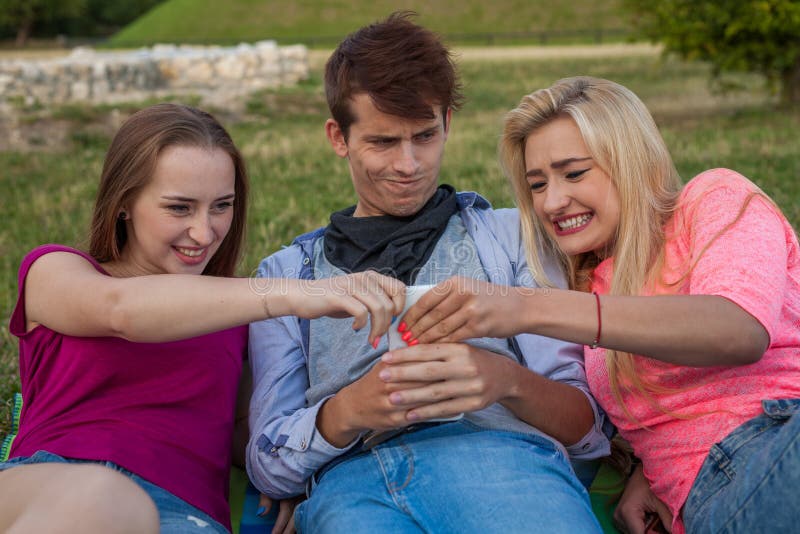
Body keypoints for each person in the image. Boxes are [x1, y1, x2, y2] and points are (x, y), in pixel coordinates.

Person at [246, 14, 610, 534]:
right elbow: (266, 462)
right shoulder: (287, 274)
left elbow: (589, 431)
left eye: (425, 135)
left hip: (502, 462)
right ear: (338, 137)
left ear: (447, 125)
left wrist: (503, 380)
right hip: (354, 485)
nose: (409, 163)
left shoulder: (511, 238)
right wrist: (347, 411)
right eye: (382, 142)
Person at [399, 76, 800, 533]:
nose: (552, 201)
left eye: (574, 173)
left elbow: (737, 329)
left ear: (631, 162)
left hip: (780, 433)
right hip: (724, 487)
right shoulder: (581, 284)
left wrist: (529, 306)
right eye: (536, 184)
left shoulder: (711, 200)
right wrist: (643, 470)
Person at [0, 103, 403, 534]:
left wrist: (292, 477)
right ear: (124, 204)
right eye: (179, 208)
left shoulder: (237, 322)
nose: (204, 232)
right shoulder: (56, 271)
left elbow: (252, 437)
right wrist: (295, 292)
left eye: (221, 206)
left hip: (184, 517)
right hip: (53, 484)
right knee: (102, 497)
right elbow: (119, 309)